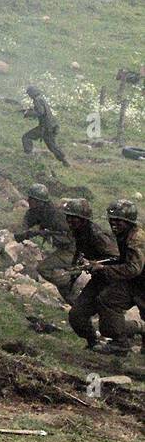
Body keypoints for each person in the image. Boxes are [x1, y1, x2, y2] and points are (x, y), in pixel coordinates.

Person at [68, 200, 144, 352]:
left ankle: (132, 334)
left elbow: (133, 268)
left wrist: (102, 268)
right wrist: (95, 264)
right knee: (105, 302)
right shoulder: (122, 234)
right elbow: (118, 260)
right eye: (112, 220)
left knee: (108, 301)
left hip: (139, 282)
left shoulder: (136, 239)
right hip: (130, 281)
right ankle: (119, 344)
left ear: (128, 222)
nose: (113, 224)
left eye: (118, 221)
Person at [22, 85, 69, 166]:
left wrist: (29, 114)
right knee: (52, 145)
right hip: (52, 126)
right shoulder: (41, 99)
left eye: (29, 94)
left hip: (46, 127)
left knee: (26, 137)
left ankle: (29, 154)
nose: (29, 96)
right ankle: (64, 161)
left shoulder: (37, 100)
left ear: (32, 93)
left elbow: (40, 112)